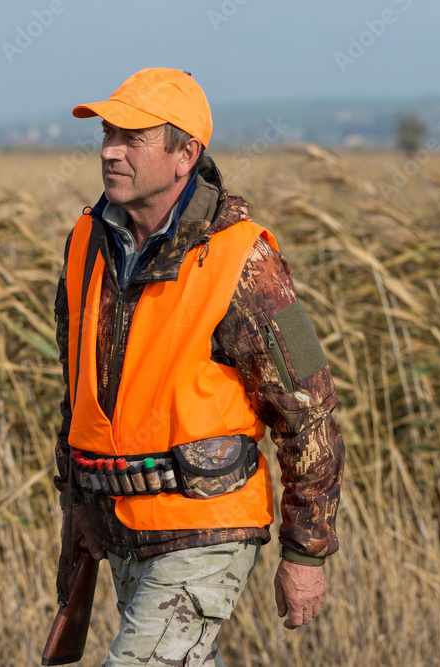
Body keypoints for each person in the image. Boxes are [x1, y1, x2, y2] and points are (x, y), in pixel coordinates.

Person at [53, 68, 345, 666]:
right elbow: (77, 390)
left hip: (207, 526)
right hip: (122, 527)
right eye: (108, 132)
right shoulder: (86, 241)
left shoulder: (246, 257)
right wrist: (78, 503)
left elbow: (309, 403)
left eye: (132, 137)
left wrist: (306, 552)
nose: (110, 149)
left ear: (185, 153)